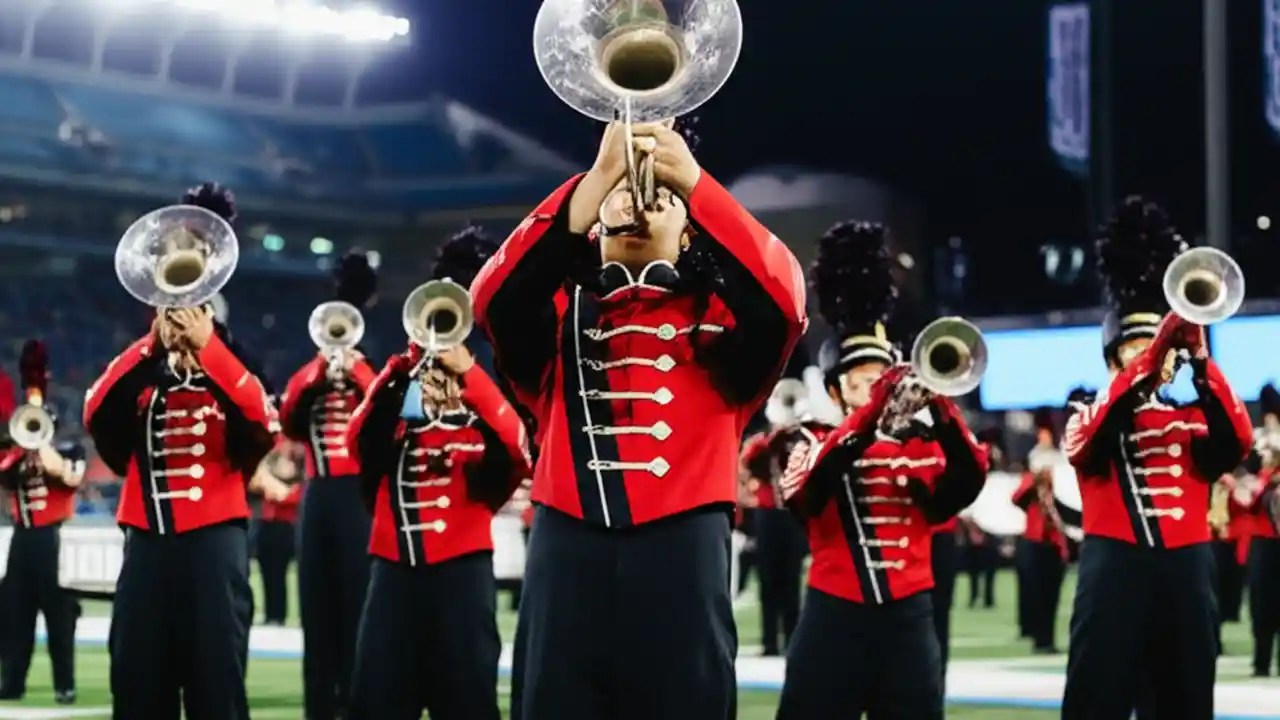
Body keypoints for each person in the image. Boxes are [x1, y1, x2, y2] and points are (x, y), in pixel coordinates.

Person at [472, 120, 805, 719]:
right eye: (621, 193)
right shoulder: (553, 316)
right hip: (565, 546)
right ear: (594, 227)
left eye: (663, 199)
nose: (640, 197)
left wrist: (695, 184)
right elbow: (492, 297)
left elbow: (785, 301)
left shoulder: (726, 321)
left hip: (684, 548)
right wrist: (597, 177)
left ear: (688, 237)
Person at [774, 220, 987, 719]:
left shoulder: (921, 445)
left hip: (910, 621)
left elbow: (966, 481)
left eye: (880, 380)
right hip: (833, 619)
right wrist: (872, 414)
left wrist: (940, 407)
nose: (873, 390)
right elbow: (805, 493)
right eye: (860, 382)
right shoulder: (809, 439)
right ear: (834, 391)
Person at [83, 182, 274, 720]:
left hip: (215, 542)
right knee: (138, 680)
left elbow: (263, 421)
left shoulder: (235, 359)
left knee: (217, 683)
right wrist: (151, 345)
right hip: (145, 541)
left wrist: (209, 347)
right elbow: (96, 410)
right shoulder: (144, 364)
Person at [1059, 197, 1253, 720]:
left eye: (1155, 342)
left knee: (1186, 698)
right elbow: (1089, 441)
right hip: (1113, 569)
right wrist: (1152, 356)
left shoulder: (1190, 417)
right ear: (1112, 355)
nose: (1150, 351)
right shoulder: (1086, 410)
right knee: (1097, 697)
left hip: (1187, 572)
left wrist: (1203, 363)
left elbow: (1237, 442)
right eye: (1136, 344)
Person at [279, 252, 378, 720]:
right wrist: (321, 372)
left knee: (358, 602)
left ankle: (357, 703)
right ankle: (319, 706)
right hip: (318, 493)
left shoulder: (372, 372)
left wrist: (356, 373)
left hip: (358, 495)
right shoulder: (309, 375)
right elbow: (288, 419)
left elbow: (388, 416)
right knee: (316, 606)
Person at [0, 341, 81, 703]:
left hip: (54, 540)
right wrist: (22, 446)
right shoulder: (14, 455)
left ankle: (65, 684)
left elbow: (69, 477)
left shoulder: (68, 452)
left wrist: (41, 445)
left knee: (59, 617)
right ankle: (12, 681)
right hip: (23, 539)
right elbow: (4, 474)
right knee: (15, 613)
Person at [740, 380, 828, 657]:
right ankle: (769, 642)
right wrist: (775, 436)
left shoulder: (802, 442)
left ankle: (792, 640)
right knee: (768, 579)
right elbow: (746, 464)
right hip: (767, 515)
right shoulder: (763, 441)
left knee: (791, 581)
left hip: (792, 516)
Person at [1012, 409, 1078, 654]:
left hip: (1055, 540)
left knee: (1052, 593)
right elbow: (1016, 498)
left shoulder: (1061, 469)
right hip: (1035, 539)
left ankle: (1047, 639)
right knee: (1036, 591)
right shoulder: (1032, 472)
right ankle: (1037, 637)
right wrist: (1035, 480)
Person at [1244, 384, 1280, 676]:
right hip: (1263, 542)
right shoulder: (1261, 476)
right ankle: (1261, 661)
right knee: (1260, 604)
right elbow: (1248, 501)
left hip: (1271, 543)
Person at [249, 437, 303, 626]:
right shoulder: (272, 444)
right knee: (269, 570)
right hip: (267, 519)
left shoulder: (299, 447)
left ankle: (286, 616)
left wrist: (278, 490)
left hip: (292, 520)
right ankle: (273, 617)